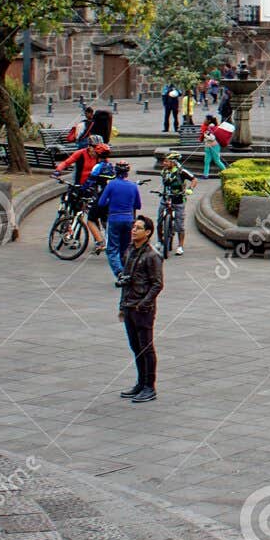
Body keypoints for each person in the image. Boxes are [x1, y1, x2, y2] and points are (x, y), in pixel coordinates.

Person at [117, 214, 164, 403]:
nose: (133, 230)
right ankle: (140, 382)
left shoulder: (152, 255)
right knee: (135, 347)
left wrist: (144, 303)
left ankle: (149, 386)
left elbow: (157, 284)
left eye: (138, 228)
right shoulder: (129, 250)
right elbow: (126, 280)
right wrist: (123, 305)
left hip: (143, 309)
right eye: (133, 227)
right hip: (129, 305)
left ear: (148, 232)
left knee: (146, 348)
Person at [98, 162, 142, 277]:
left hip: (114, 218)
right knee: (125, 247)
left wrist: (111, 202)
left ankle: (119, 272)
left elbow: (101, 203)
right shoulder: (133, 186)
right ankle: (126, 270)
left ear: (115, 172)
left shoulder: (111, 185)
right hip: (128, 218)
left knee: (112, 248)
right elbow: (138, 205)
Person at [158, 154, 197, 256]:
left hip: (179, 199)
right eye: (164, 161)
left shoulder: (181, 171)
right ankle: (159, 241)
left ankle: (180, 246)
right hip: (166, 198)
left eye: (167, 161)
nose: (164, 163)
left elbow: (194, 179)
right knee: (159, 220)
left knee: (179, 225)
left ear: (173, 162)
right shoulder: (164, 171)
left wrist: (190, 189)